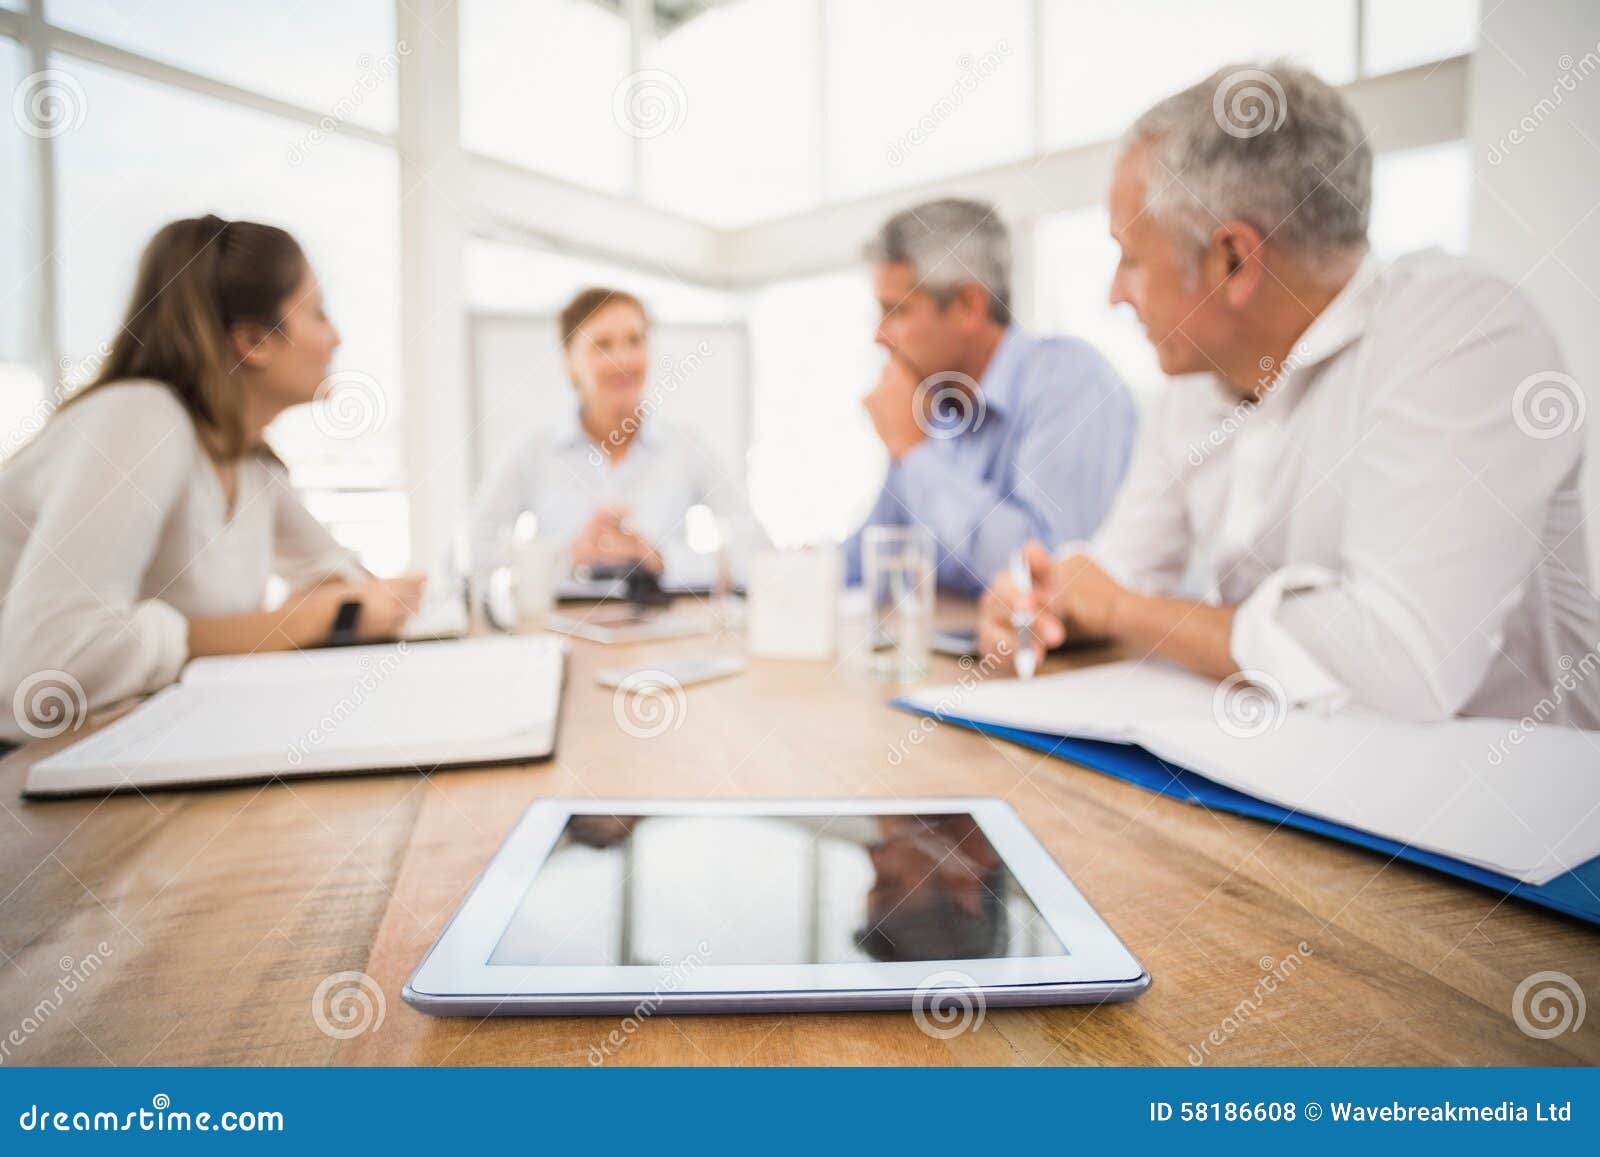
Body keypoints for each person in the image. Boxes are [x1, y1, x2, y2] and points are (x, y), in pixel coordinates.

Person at [980, 63, 1600, 727]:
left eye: (1131, 257)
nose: (1115, 294)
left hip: (1501, 814)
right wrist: (1049, 603)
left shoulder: (1466, 331)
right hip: (1295, 783)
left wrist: (1123, 611)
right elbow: (1117, 573)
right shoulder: (1197, 381)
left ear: (1234, 260)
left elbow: (1399, 667)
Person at [0, 216, 425, 744]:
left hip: (137, 749)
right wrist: (304, 620)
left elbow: (347, 587)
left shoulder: (247, 461)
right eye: (318, 314)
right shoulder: (140, 418)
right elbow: (49, 661)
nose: (336, 338)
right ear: (254, 340)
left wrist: (333, 605)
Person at [846, 198, 1137, 597]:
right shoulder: (932, 407)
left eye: (896, 311)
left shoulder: (1070, 382)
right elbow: (866, 561)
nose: (878, 337)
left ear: (968, 306)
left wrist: (914, 453)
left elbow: (1045, 577)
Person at [467, 286, 763, 588]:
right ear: (570, 361)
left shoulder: (686, 445)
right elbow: (471, 555)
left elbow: (757, 551)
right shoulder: (533, 451)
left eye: (635, 341)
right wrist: (566, 558)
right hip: (558, 630)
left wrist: (660, 559)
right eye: (602, 345)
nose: (623, 360)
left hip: (668, 629)